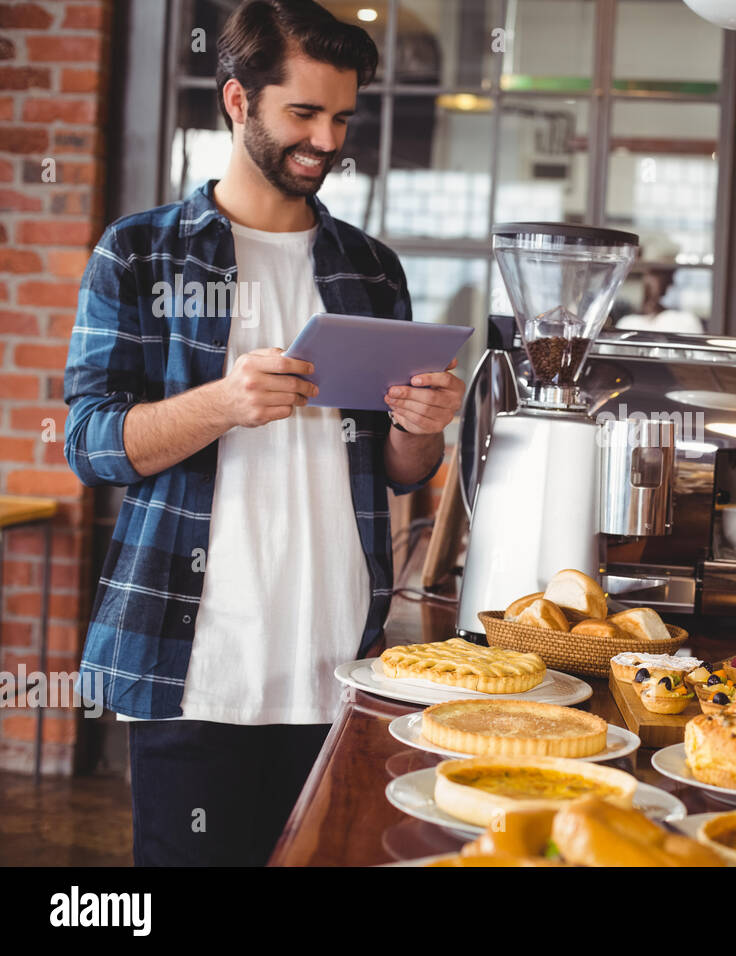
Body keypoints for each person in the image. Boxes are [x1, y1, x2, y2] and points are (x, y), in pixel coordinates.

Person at [63, 0, 466, 865]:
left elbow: (398, 472)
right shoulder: (140, 256)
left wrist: (423, 429)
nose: (327, 139)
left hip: (340, 667)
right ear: (239, 102)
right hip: (194, 669)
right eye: (304, 114)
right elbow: (91, 443)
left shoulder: (369, 269)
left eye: (342, 117)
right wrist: (222, 403)